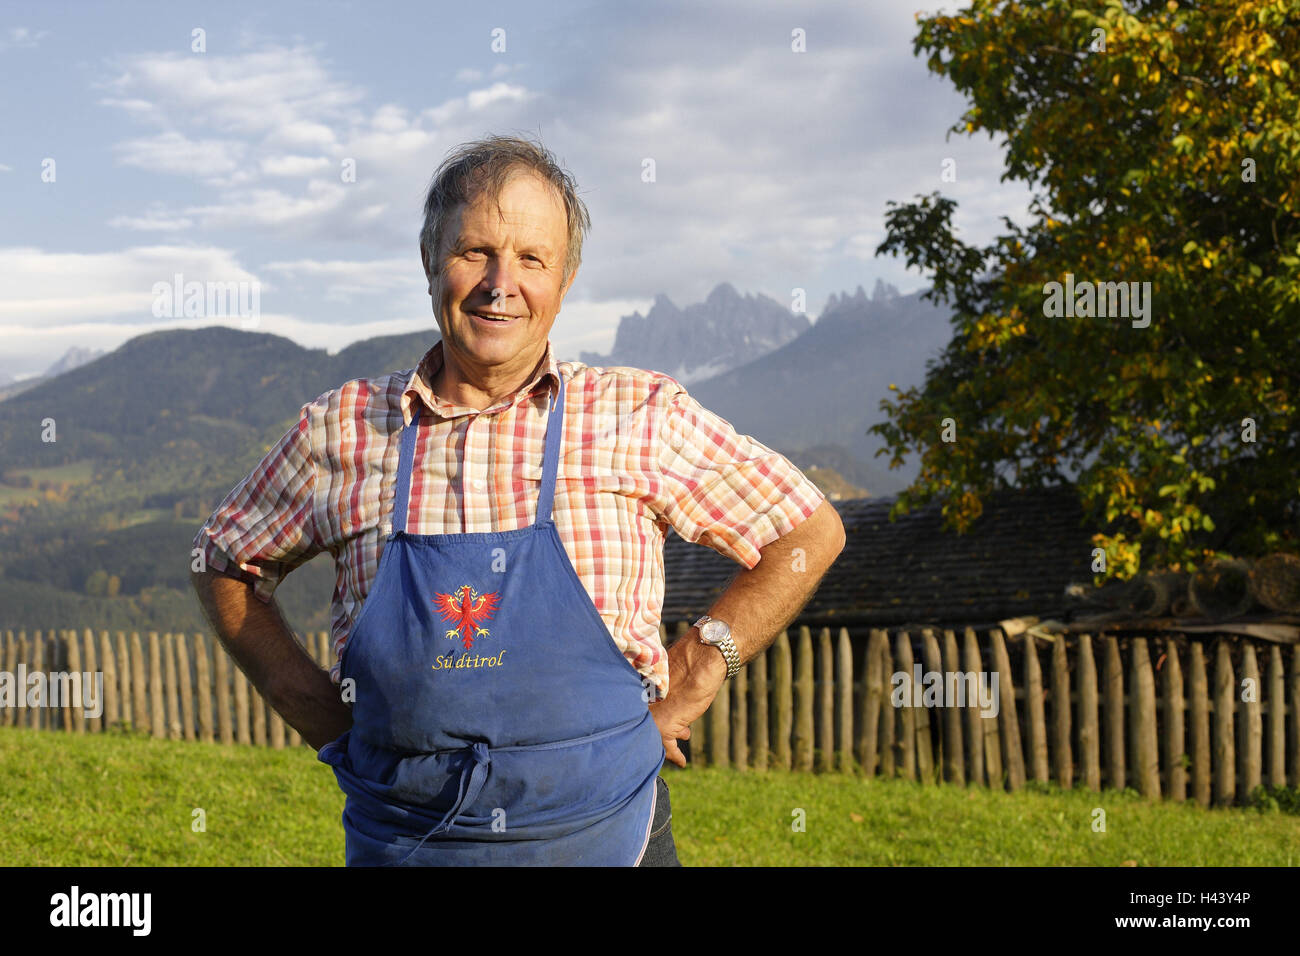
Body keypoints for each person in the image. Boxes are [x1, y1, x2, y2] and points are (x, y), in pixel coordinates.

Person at [190, 133, 845, 866]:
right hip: (406, 844)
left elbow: (807, 531)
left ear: (563, 280)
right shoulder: (343, 429)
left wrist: (702, 666)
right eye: (475, 251)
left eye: (532, 258)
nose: (502, 283)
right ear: (430, 260)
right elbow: (223, 557)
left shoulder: (639, 414)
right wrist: (302, 698)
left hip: (610, 841)